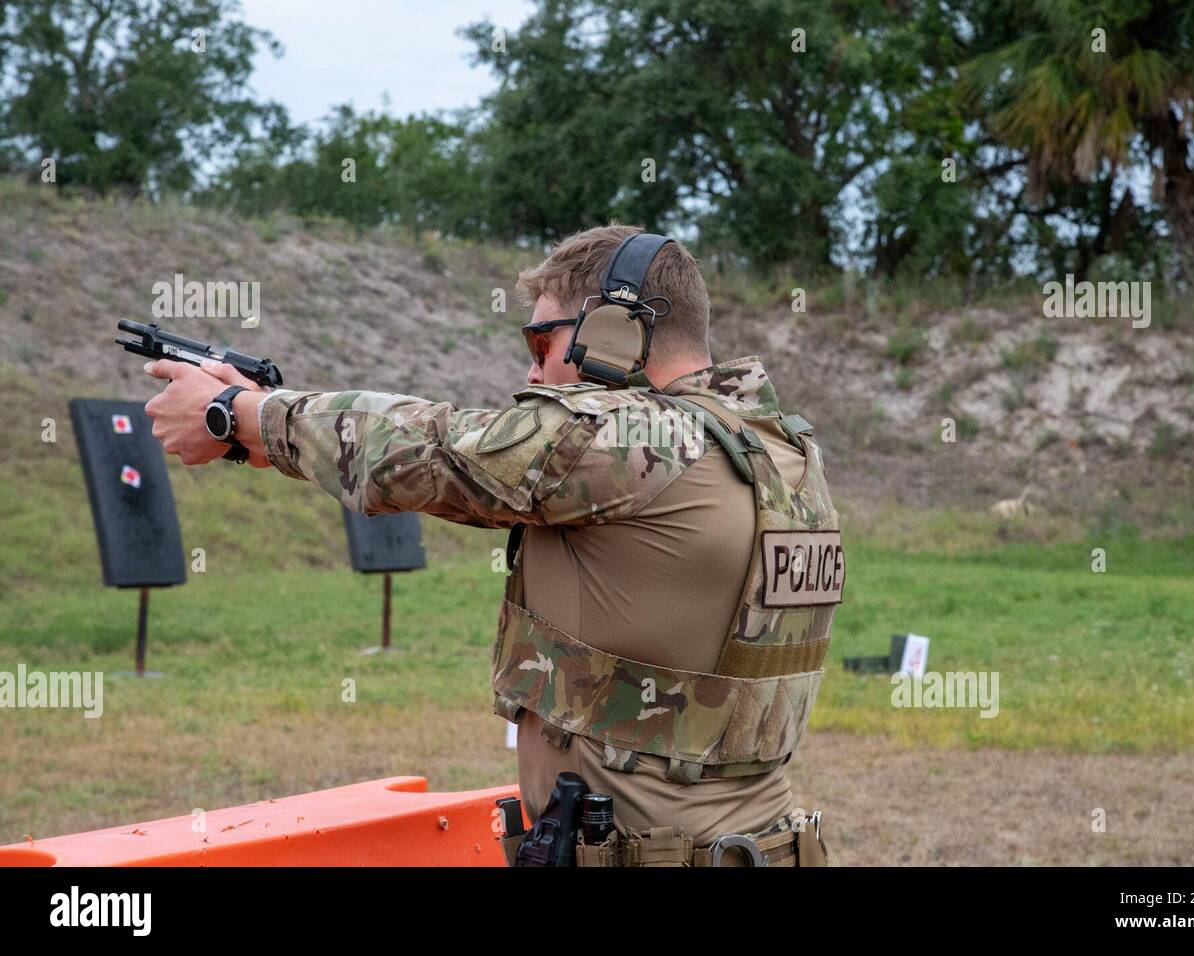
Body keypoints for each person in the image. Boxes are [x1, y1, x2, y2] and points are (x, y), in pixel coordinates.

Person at [142, 224, 842, 866]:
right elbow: (471, 485)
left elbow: (430, 451)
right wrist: (269, 434)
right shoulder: (780, 452)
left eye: (543, 344)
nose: (533, 374)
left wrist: (235, 413)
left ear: (614, 333)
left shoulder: (640, 437)